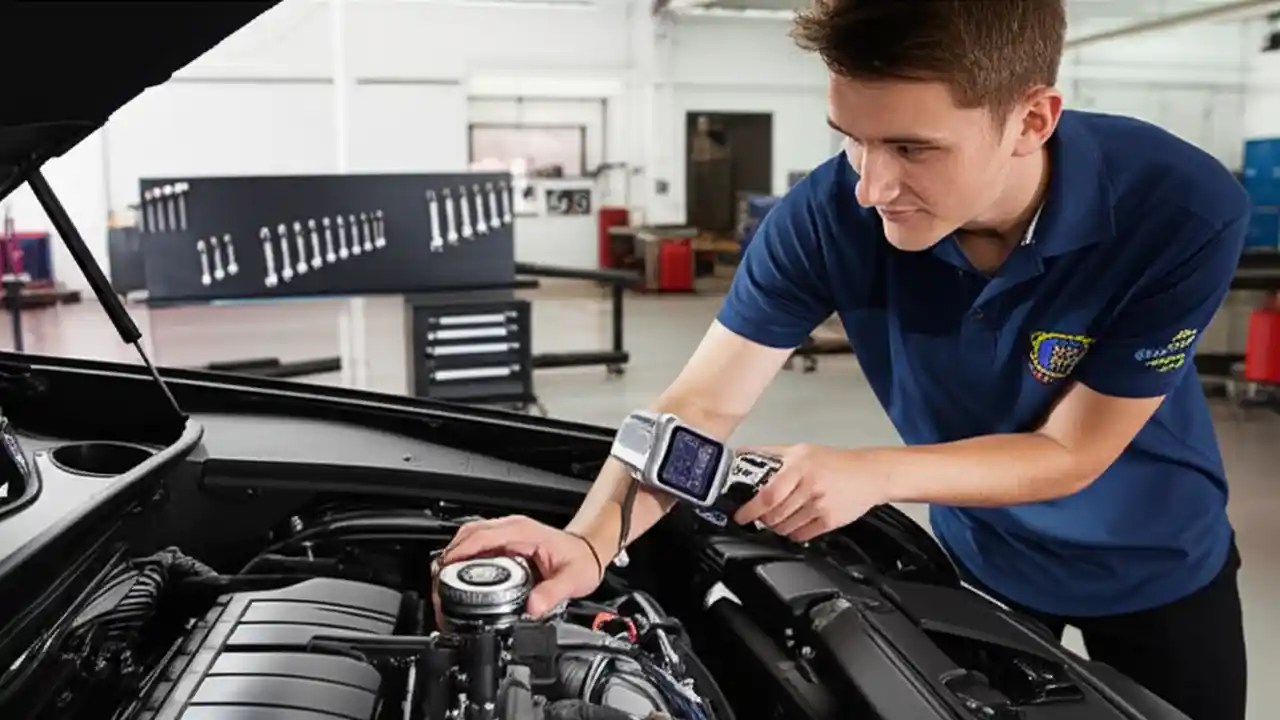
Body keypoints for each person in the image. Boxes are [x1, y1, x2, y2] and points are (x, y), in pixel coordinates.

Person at [437, 1, 1250, 718]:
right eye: (853, 141)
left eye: (911, 147)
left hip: (1159, 571)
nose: (870, 186)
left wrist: (872, 473)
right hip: (982, 563)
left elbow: (1073, 451)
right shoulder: (825, 217)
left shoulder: (1178, 209)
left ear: (1033, 119)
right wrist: (589, 540)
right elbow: (705, 405)